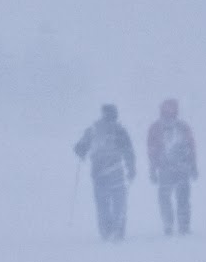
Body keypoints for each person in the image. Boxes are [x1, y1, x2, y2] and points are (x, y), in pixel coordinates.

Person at [74, 104, 136, 241]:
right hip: (116, 171)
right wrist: (131, 169)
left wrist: (80, 150)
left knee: (102, 202)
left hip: (98, 172)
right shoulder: (119, 130)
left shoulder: (93, 129)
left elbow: (80, 147)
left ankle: (105, 230)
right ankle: (118, 230)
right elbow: (128, 151)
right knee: (119, 201)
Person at [147, 98, 198, 235]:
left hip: (168, 169)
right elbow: (191, 147)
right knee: (180, 198)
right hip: (180, 168)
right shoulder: (182, 126)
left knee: (168, 198)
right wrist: (193, 166)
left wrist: (153, 169)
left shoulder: (156, 128)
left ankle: (172, 225)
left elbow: (152, 151)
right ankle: (181, 226)